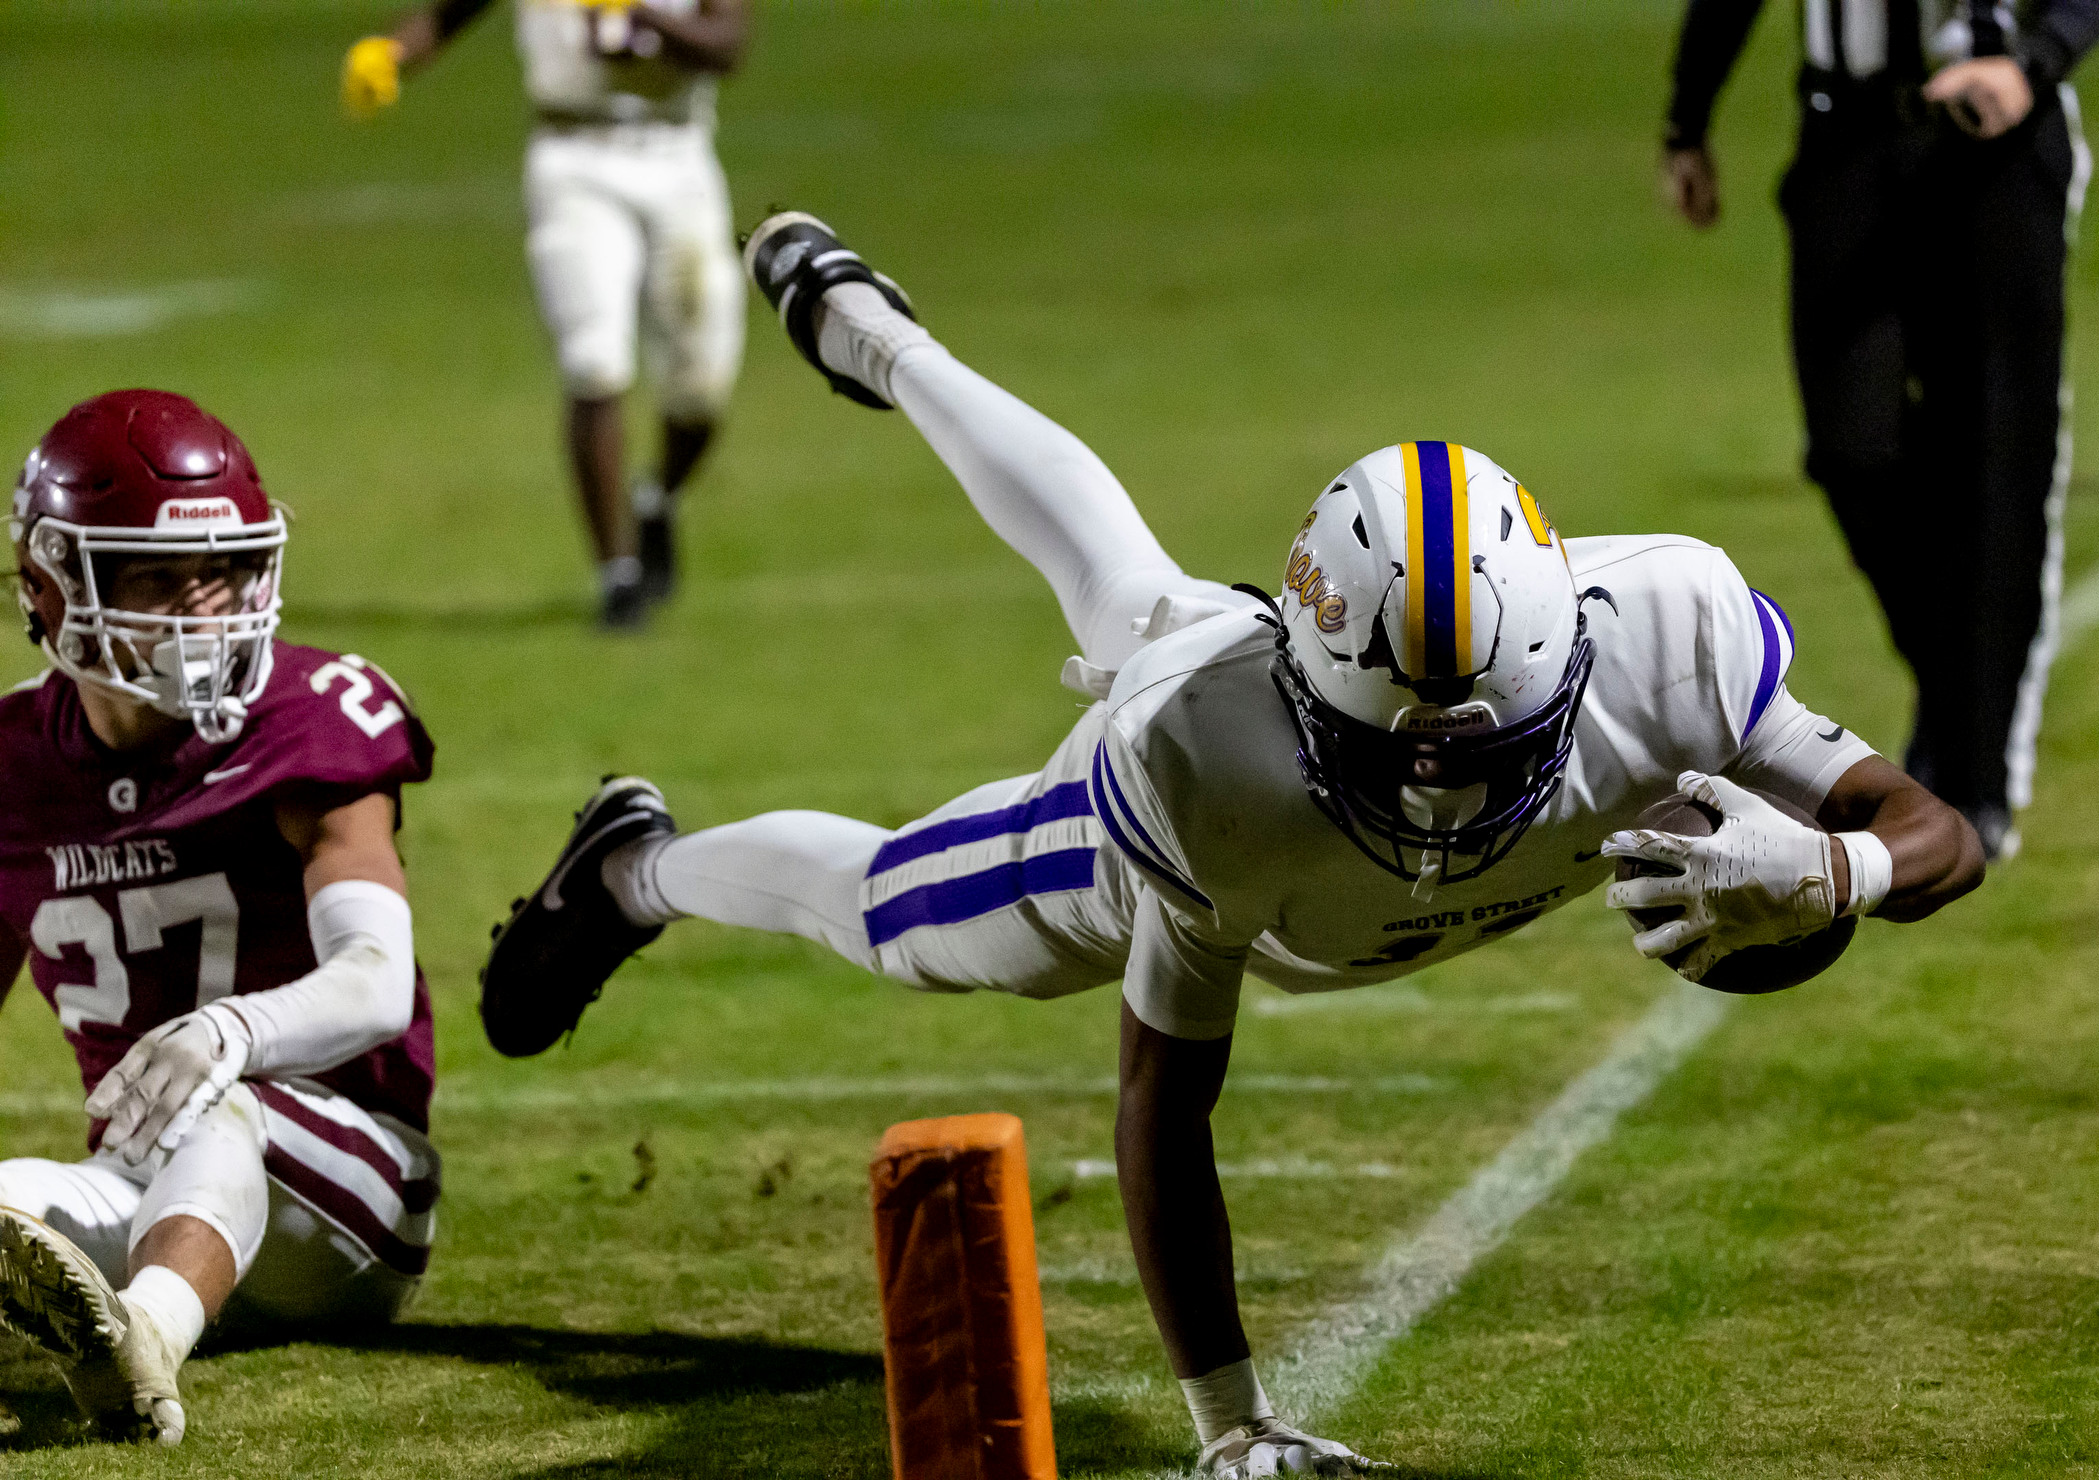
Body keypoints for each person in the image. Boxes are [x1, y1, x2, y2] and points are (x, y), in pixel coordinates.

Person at [478, 213, 1986, 1475]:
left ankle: (873, 335)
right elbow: (1161, 1106)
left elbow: (1939, 831)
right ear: (1306, 680)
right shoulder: (1205, 762)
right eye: (1397, 755)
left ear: (1570, 664)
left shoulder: (1675, 637)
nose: (1445, 801)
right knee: (892, 910)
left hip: (1269, 762)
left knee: (1129, 575)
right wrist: (1230, 1423)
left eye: (1486, 752)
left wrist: (1835, 870)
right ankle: (633, 868)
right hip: (1204, 854)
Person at [0, 391, 438, 1445]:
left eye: (227, 571)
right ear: (53, 588)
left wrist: (232, 1031)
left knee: (223, 1102)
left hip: (349, 1188)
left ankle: (141, 1345)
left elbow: (376, 979)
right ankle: (95, 1326)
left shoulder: (308, 721)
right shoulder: (14, 761)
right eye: (158, 578)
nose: (207, 610)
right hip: (138, 1181)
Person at [1661, 0, 2099, 860]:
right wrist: (1687, 117)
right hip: (1844, 139)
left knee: (1995, 466)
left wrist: (2033, 60)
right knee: (1853, 452)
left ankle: (1977, 780)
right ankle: (1957, 702)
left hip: (1992, 146)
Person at [341, 0, 751, 628]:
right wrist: (393, 52)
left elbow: (728, 45)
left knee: (701, 387)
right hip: (573, 158)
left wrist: (643, 22)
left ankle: (655, 498)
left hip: (676, 156)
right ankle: (618, 574)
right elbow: (452, 12)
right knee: (593, 363)